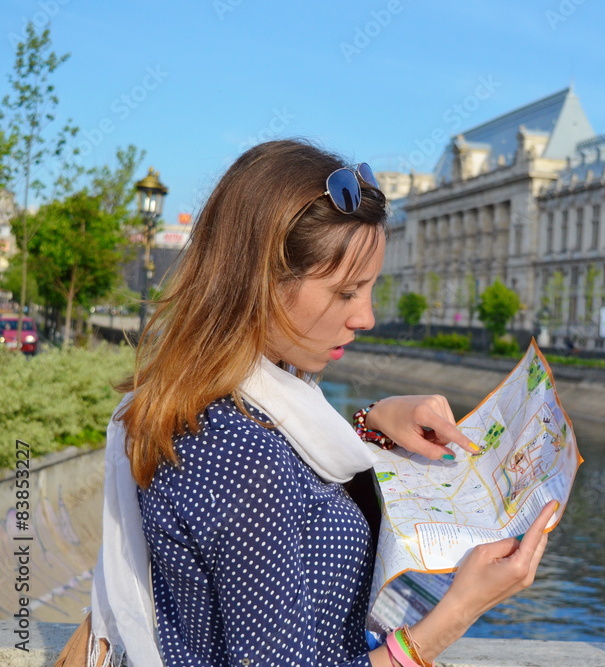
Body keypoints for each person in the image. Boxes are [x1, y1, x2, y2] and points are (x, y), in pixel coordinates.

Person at [90, 139, 557, 666]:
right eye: (345, 293)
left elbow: (293, 493)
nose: (367, 318)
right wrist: (455, 615)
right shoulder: (241, 461)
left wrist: (372, 422)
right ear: (260, 283)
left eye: (370, 289)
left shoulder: (231, 404)